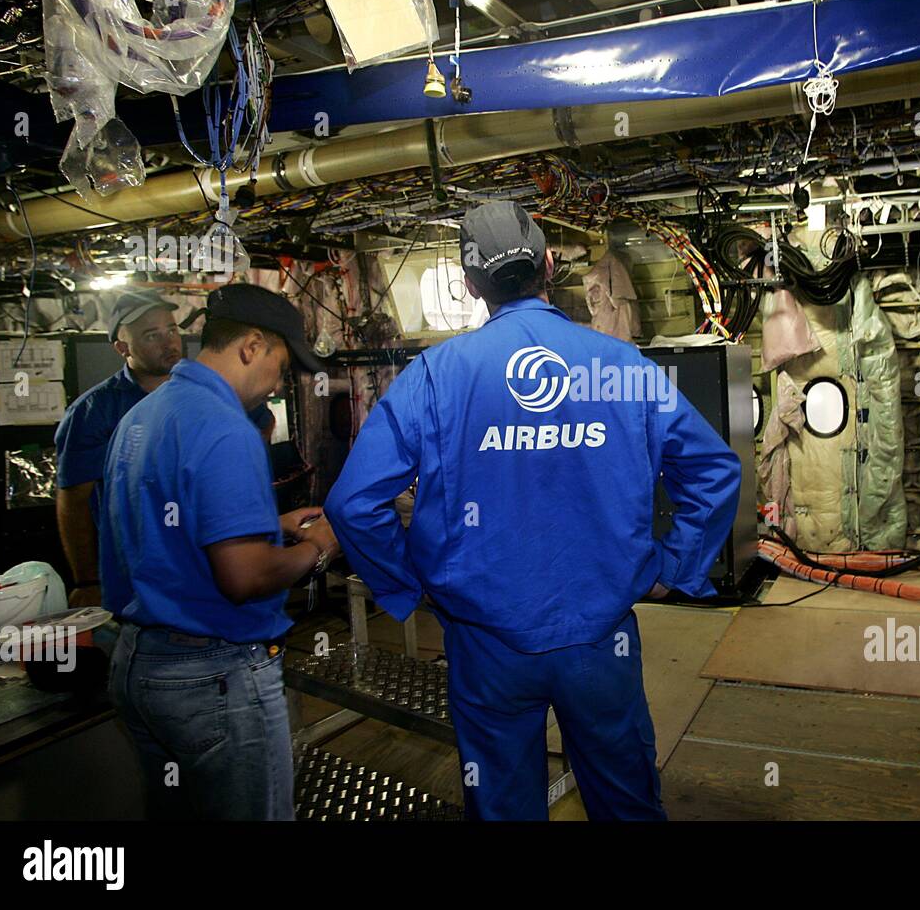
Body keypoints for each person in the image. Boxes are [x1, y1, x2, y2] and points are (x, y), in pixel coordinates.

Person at [326, 202, 741, 821]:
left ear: (470, 286)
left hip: (482, 641)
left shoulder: (436, 375)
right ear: (550, 265)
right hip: (601, 639)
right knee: (624, 797)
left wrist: (407, 584)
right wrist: (674, 568)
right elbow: (714, 470)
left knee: (502, 804)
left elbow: (353, 502)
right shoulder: (621, 367)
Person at [101, 283, 339, 820]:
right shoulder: (224, 426)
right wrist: (319, 550)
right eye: (281, 364)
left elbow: (157, 531)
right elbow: (244, 577)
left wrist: (265, 525)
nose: (280, 381)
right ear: (252, 345)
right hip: (213, 677)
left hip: (141, 668)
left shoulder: (143, 416)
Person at [55, 288, 181, 607]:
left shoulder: (197, 395)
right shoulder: (94, 411)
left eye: (172, 330)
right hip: (133, 570)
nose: (169, 343)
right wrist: (87, 581)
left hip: (194, 556)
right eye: (152, 335)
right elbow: (73, 501)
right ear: (122, 347)